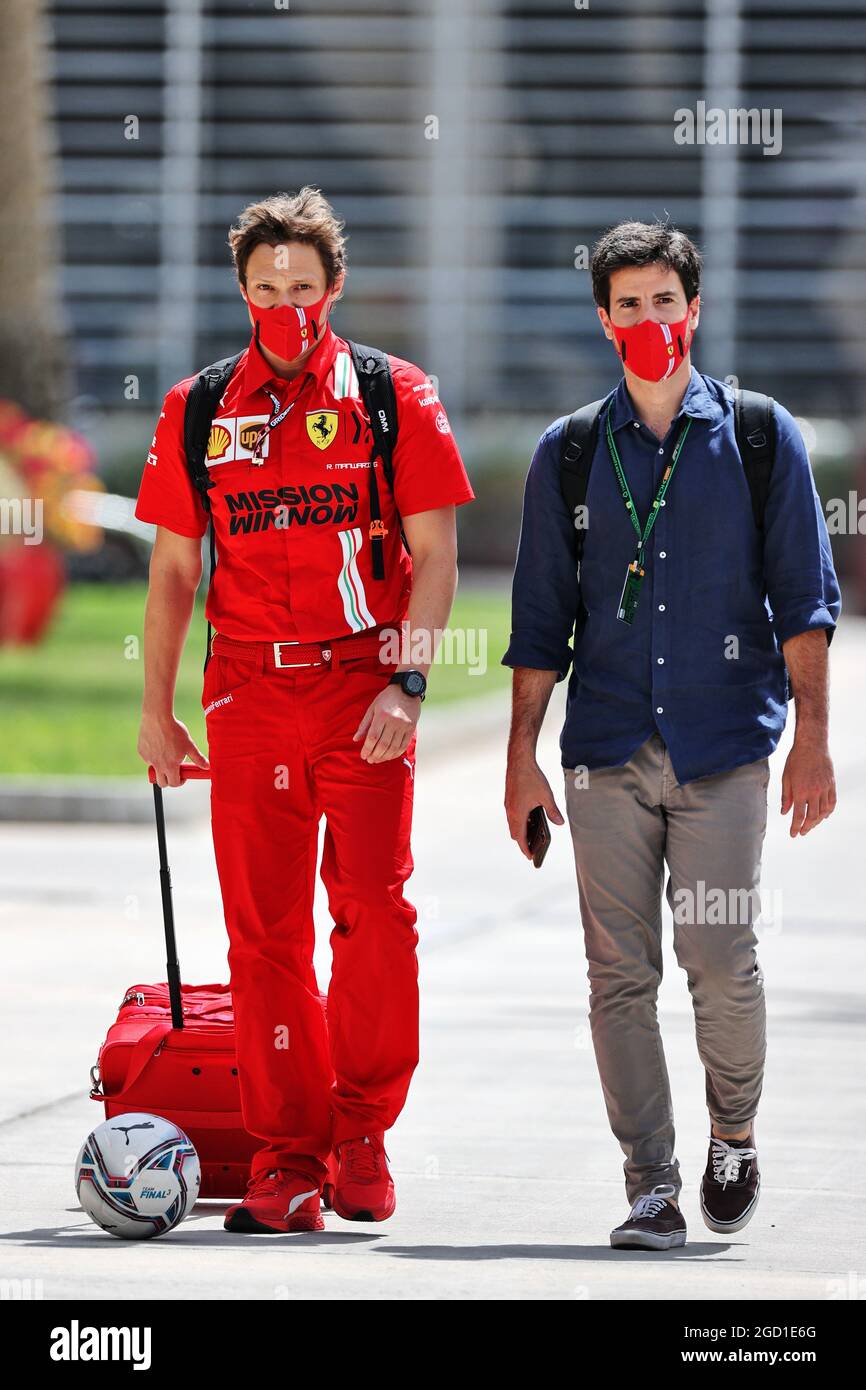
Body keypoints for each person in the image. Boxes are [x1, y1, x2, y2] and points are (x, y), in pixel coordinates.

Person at [135, 187, 474, 1234]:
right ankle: (286, 1155)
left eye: (303, 284)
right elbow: (174, 571)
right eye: (265, 285)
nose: (285, 302)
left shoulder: (391, 393)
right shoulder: (197, 407)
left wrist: (408, 685)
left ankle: (362, 1130)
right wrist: (156, 710)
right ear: (241, 289)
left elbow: (437, 559)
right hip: (245, 694)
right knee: (263, 937)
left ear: (333, 287)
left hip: (360, 689)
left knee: (374, 913)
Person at [502, 220, 840, 1250]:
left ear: (691, 309)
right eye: (627, 303)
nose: (647, 320)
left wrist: (813, 740)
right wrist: (518, 753)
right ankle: (647, 1185)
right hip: (603, 749)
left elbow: (802, 601)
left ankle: (729, 1133)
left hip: (724, 745)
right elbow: (535, 621)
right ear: (601, 317)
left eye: (664, 301)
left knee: (719, 954)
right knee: (616, 974)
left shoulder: (755, 434)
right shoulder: (566, 455)